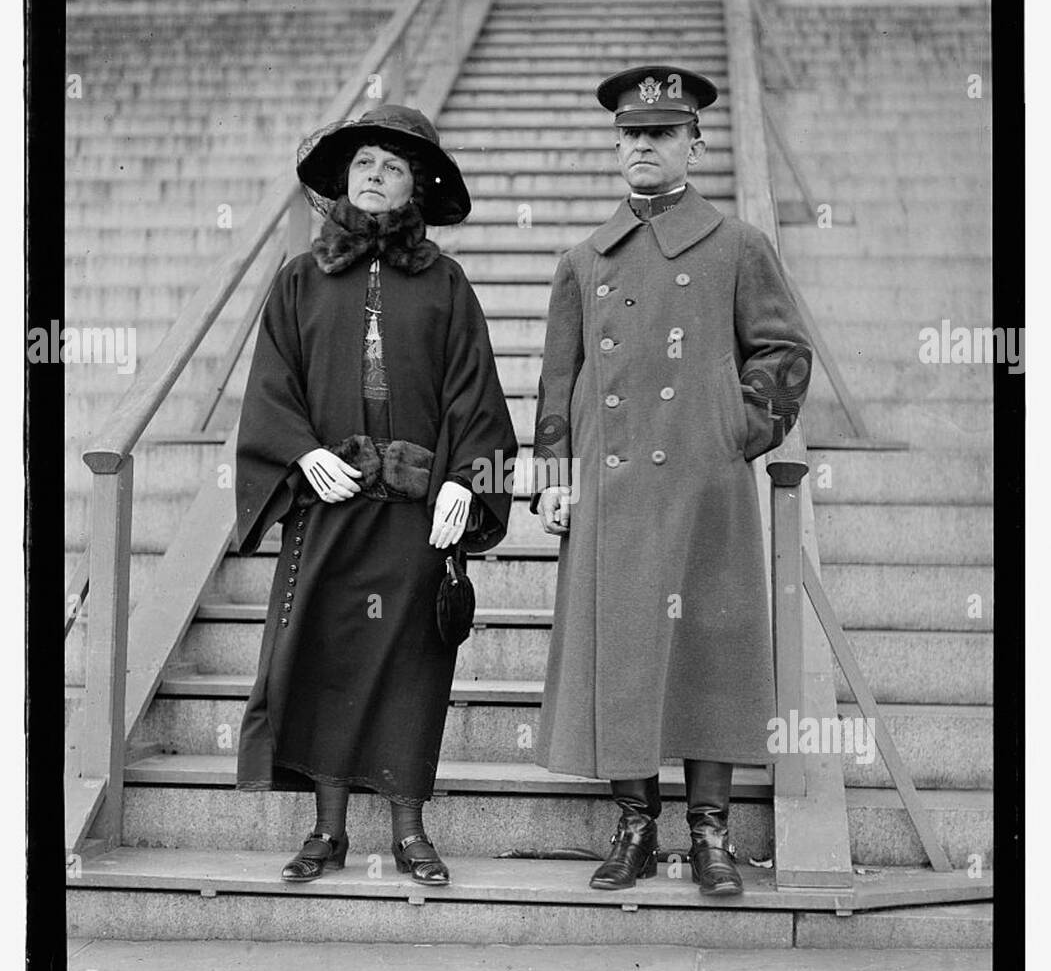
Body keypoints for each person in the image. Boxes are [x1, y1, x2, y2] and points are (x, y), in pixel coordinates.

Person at [532, 65, 812, 896]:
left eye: (659, 134)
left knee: (708, 653)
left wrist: (738, 428)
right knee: (623, 654)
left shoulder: (736, 245)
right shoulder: (583, 260)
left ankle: (710, 835)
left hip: (701, 484)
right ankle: (634, 829)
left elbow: (782, 352)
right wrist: (551, 476)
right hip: (610, 488)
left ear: (694, 142)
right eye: (630, 135)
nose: (642, 148)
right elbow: (556, 382)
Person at [235, 104, 517, 886]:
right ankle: (324, 833)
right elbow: (270, 388)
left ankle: (408, 832)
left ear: (415, 186)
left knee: (409, 669)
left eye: (392, 167)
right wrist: (299, 453)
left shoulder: (447, 284)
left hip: (415, 516)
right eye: (363, 163)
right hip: (328, 505)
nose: (375, 175)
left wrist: (466, 480)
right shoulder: (298, 280)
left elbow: (477, 397)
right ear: (343, 180)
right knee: (326, 659)